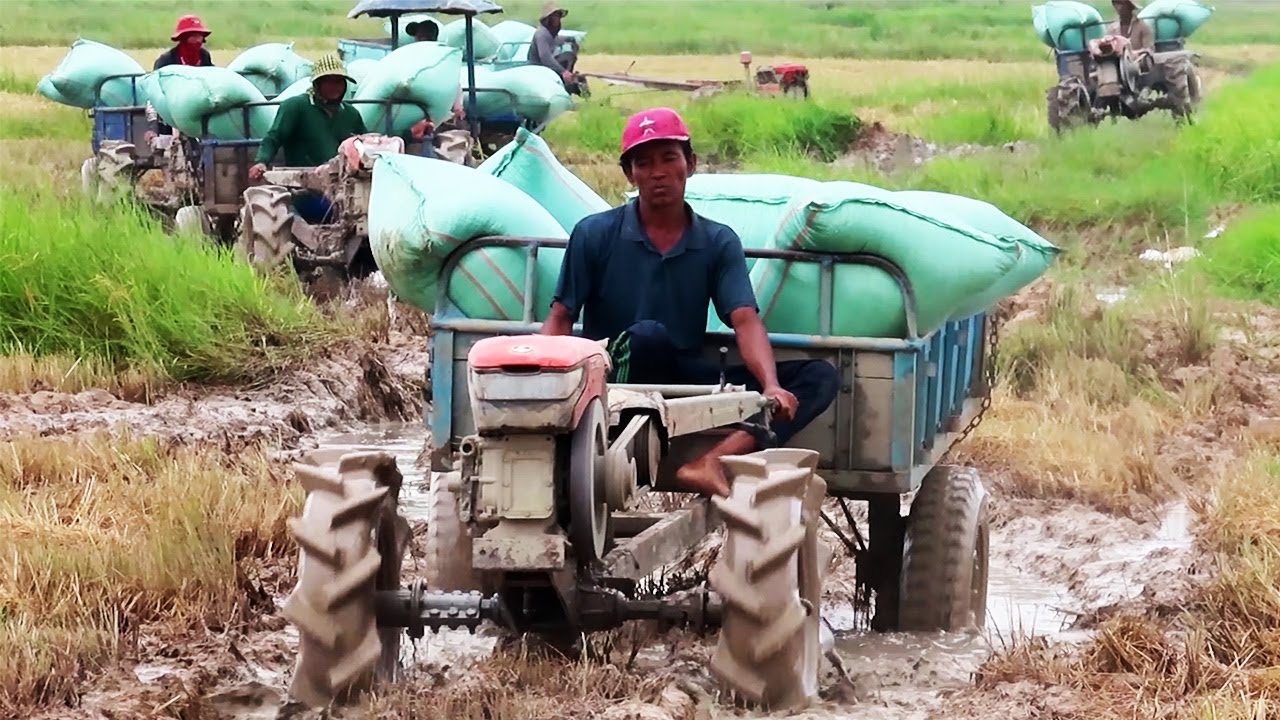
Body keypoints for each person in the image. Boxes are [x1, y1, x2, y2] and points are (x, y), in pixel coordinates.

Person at [540, 108, 840, 497]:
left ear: (691, 164)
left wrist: (770, 385)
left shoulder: (717, 241)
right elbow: (562, 316)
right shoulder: (595, 234)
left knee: (820, 376)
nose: (658, 172)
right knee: (648, 336)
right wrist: (542, 384)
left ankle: (714, 459)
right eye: (644, 163)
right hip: (614, 374)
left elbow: (744, 319)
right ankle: (623, 441)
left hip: (682, 379)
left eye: (669, 158)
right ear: (630, 174)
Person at [248, 55, 370, 223]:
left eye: (339, 82)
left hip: (347, 187)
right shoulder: (296, 107)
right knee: (329, 209)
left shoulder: (350, 114)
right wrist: (262, 160)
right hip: (306, 188)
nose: (335, 87)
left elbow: (365, 144)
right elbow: (274, 136)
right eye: (329, 81)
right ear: (317, 84)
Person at [144, 15, 214, 144]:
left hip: (197, 106)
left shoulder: (204, 56)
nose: (197, 41)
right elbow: (154, 95)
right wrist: (152, 128)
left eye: (199, 36)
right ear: (182, 39)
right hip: (170, 108)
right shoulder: (167, 60)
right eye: (193, 36)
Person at [527, 2, 578, 90]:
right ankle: (566, 80)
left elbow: (555, 40)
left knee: (570, 55)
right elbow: (545, 57)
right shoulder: (542, 34)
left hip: (544, 64)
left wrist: (569, 39)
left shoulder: (550, 33)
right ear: (548, 18)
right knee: (568, 56)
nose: (557, 19)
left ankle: (568, 81)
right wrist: (564, 71)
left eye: (558, 16)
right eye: (554, 16)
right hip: (538, 66)